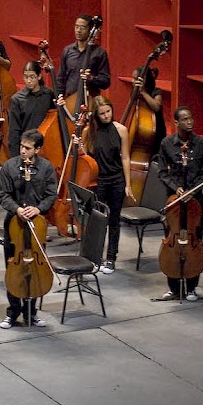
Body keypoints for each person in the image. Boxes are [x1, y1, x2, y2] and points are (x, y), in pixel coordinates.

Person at [0, 129, 59, 329]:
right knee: (13, 268)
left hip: (36, 225)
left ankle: (31, 313)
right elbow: (2, 194)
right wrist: (17, 209)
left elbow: (51, 194)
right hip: (14, 222)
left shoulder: (46, 168)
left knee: (35, 267)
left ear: (37, 149)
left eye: (28, 148)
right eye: (22, 146)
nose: (23, 151)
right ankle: (13, 312)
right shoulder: (10, 166)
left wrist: (38, 208)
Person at [156, 106, 203, 301]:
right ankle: (173, 287)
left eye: (191, 118)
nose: (190, 122)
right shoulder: (166, 144)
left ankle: (191, 287)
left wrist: (192, 191)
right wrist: (177, 188)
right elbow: (162, 172)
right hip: (174, 200)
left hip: (195, 200)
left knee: (194, 240)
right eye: (185, 119)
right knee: (171, 239)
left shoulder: (202, 144)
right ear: (176, 123)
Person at [81, 96, 132, 273]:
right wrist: (78, 146)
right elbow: (85, 156)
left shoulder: (121, 130)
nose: (106, 116)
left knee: (114, 220)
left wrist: (128, 184)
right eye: (102, 113)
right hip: (98, 181)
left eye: (108, 111)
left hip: (117, 179)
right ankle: (95, 257)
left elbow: (125, 158)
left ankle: (111, 258)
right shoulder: (89, 131)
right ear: (96, 115)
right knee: (97, 220)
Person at [6, 60, 59, 158]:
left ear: (39, 76)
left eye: (32, 77)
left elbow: (56, 120)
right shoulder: (17, 99)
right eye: (26, 77)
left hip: (47, 146)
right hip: (27, 147)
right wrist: (15, 158)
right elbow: (14, 132)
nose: (28, 81)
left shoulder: (49, 94)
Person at [57, 14, 110, 109]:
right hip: (69, 101)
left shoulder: (99, 53)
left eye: (83, 27)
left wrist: (92, 78)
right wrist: (59, 97)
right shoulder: (68, 51)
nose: (78, 30)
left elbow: (106, 82)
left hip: (91, 103)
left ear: (90, 30)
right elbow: (61, 78)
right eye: (76, 27)